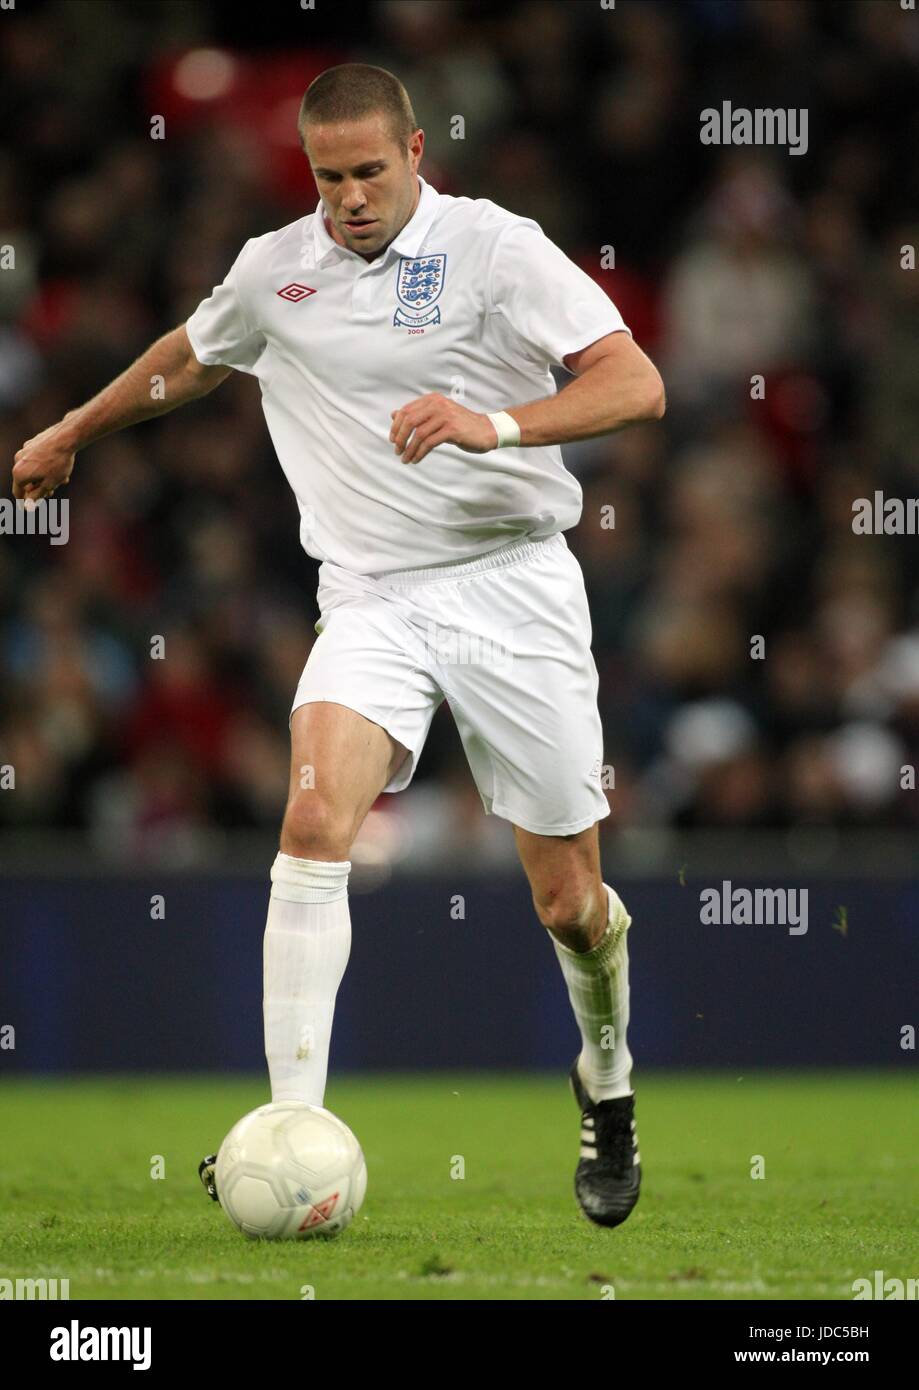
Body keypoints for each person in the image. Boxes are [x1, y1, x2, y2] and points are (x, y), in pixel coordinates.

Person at [12, 64, 665, 1228]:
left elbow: (636, 382)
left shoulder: (496, 248)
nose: (352, 196)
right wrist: (75, 427)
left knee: (569, 901)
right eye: (329, 177)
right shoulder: (279, 270)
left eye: (371, 170)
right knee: (314, 821)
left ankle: (605, 1079)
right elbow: (195, 354)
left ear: (417, 150)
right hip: (370, 593)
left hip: (513, 585)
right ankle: (292, 1126)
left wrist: (493, 422)